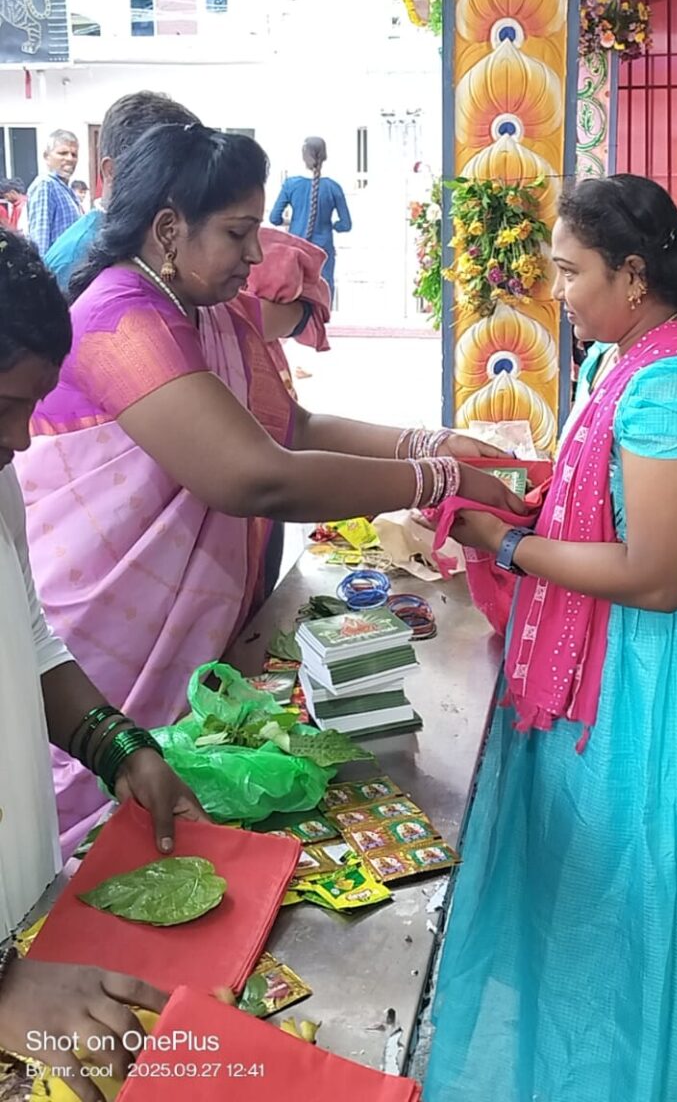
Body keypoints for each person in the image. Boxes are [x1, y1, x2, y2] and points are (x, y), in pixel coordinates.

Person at [16, 123, 521, 856]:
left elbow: (292, 423)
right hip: (103, 637)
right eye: (238, 232)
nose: (256, 255)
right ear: (167, 229)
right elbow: (254, 474)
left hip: (184, 626)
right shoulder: (119, 317)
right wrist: (437, 479)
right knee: (93, 848)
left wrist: (427, 441)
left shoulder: (208, 309)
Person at [425, 174, 677, 1102]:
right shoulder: (622, 356)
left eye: (569, 272)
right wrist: (530, 485)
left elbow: (659, 575)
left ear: (633, 275)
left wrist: (505, 539)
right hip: (615, 663)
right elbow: (609, 491)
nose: (558, 291)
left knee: (646, 896)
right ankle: (580, 1068)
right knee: (591, 899)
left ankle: (637, 1077)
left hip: (658, 675)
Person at [0, 227, 208, 1101]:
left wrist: (124, 749)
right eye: (0, 403)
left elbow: (29, 641)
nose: (16, 439)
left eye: (31, 407)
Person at [45, 92, 198, 294]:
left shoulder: (148, 238)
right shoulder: (76, 257)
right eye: (166, 170)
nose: (183, 186)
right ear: (112, 172)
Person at [269, 137, 351, 301]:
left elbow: (274, 218)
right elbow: (346, 224)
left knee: (295, 290)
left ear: (304, 156)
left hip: (296, 246)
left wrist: (292, 221)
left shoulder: (291, 184)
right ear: (325, 156)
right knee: (324, 289)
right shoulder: (333, 187)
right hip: (324, 249)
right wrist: (332, 225)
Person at [27, 130, 82, 255]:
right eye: (63, 153)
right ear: (47, 156)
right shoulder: (45, 185)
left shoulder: (66, 190)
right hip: (53, 272)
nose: (69, 159)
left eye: (74, 154)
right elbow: (39, 241)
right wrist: (41, 273)